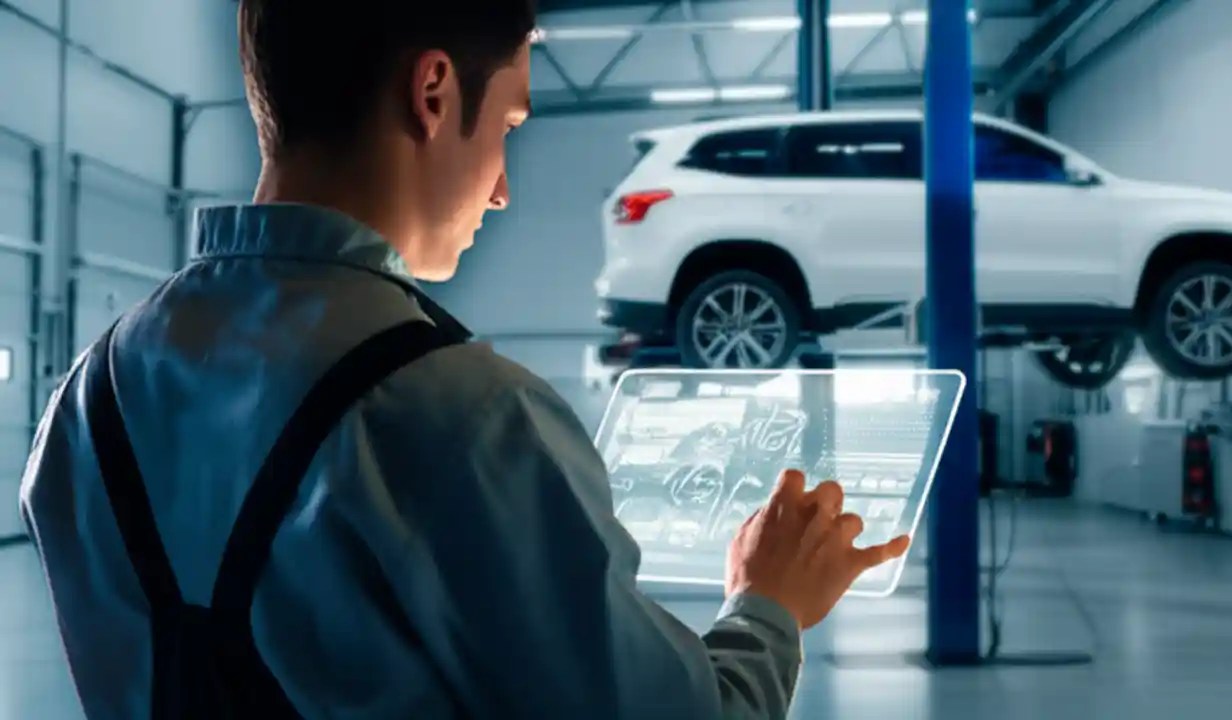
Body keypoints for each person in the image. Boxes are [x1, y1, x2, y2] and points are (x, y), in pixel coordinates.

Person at [18, 1, 910, 718]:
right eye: (509, 126)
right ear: (434, 92)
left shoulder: (85, 404)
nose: (503, 185)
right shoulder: (469, 417)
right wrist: (769, 605)